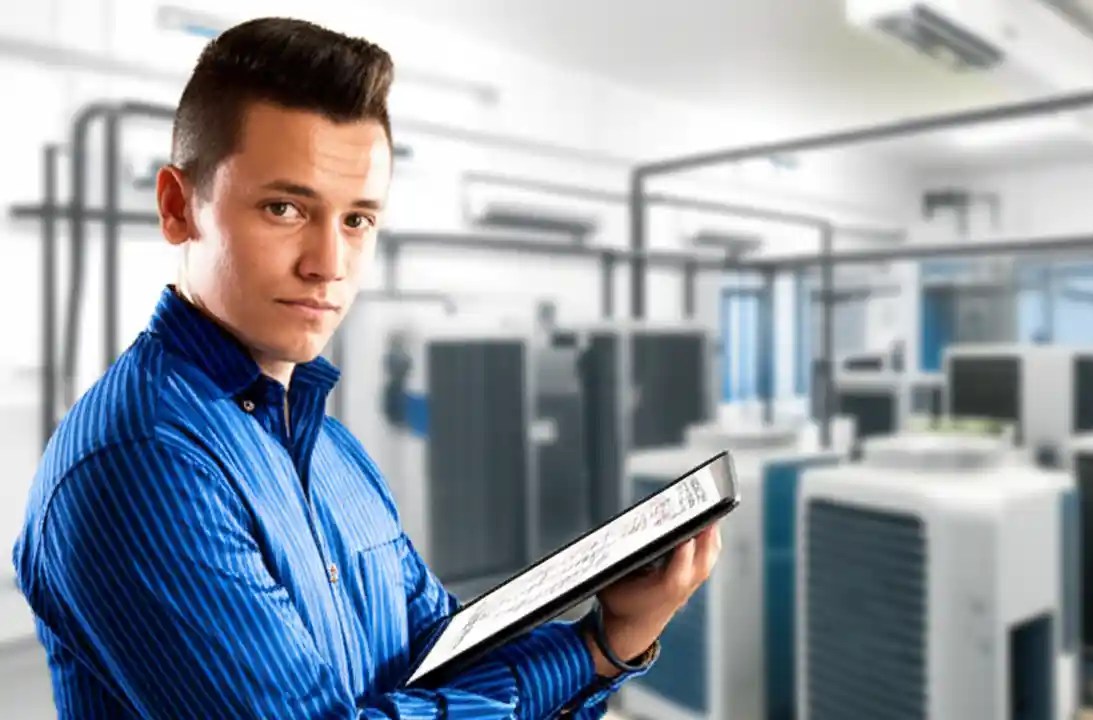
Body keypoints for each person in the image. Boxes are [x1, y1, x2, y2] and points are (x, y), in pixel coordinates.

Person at [11, 17, 721, 719]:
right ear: (177, 207)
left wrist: (612, 636)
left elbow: (437, 654)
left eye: (357, 220)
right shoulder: (145, 460)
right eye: (285, 208)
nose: (329, 264)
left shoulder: (330, 449)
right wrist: (587, 656)